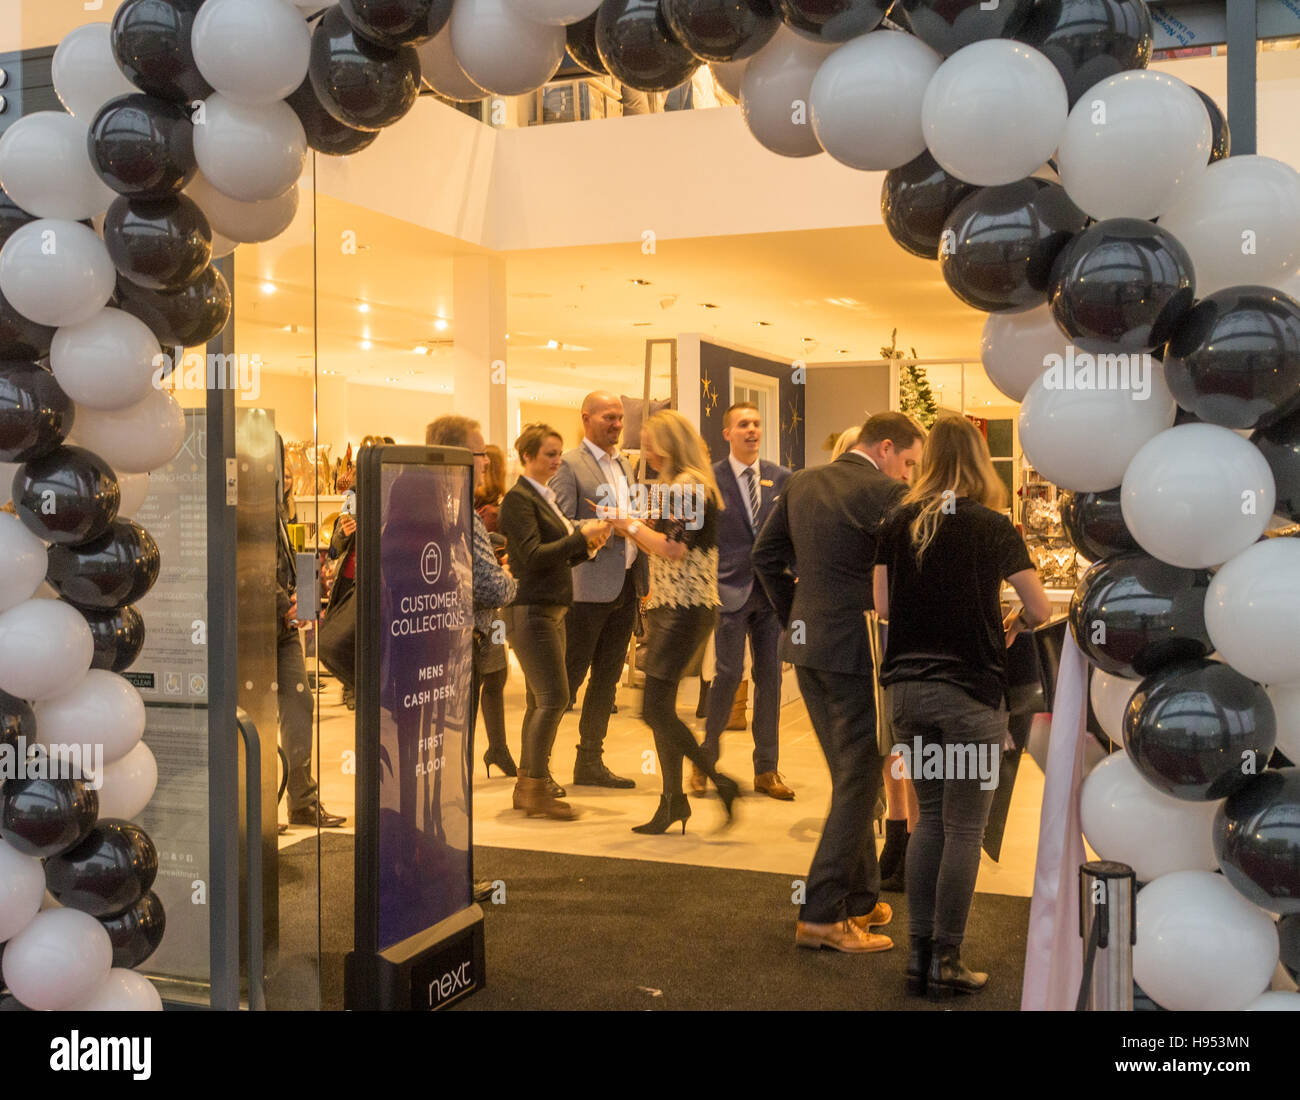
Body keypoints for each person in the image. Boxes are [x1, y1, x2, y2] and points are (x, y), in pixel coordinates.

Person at [873, 414, 1050, 999]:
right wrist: (1011, 620)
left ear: (928, 461)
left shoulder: (895, 522)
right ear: (976, 460)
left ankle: (919, 957)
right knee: (964, 827)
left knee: (928, 822)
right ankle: (948, 957)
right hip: (970, 696)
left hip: (906, 693)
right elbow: (1041, 609)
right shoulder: (991, 526)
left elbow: (883, 607)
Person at [752, 411, 925, 954]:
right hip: (859, 650)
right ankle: (822, 914)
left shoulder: (800, 482)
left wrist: (794, 614)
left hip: (808, 647)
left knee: (852, 776)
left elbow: (765, 557)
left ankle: (859, 899)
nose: (910, 475)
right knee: (859, 780)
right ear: (887, 447)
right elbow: (905, 578)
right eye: (910, 463)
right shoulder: (888, 496)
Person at [602, 410, 739, 834]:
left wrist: (626, 525)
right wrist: (630, 526)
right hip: (676, 605)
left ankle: (719, 781)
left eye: (651, 443)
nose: (646, 451)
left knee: (655, 708)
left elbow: (673, 548)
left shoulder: (687, 487)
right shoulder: (682, 486)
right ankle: (673, 801)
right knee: (660, 709)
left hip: (685, 607)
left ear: (670, 444)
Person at [498, 424, 611, 820]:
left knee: (540, 700)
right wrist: (582, 538)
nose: (556, 460)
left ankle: (532, 785)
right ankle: (533, 785)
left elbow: (556, 557)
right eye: (549, 453)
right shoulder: (519, 499)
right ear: (527, 457)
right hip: (532, 610)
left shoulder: (543, 497)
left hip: (549, 609)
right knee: (554, 698)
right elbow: (530, 556)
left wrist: (588, 545)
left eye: (559, 453)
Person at [830, 425, 919, 891]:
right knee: (886, 746)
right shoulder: (872, 500)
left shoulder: (898, 503)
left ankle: (906, 841)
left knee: (899, 741)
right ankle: (897, 836)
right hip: (866, 633)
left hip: (889, 634)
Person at [695, 401, 792, 800]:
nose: (752, 430)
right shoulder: (709, 479)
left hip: (771, 594)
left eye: (756, 423)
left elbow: (789, 532)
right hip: (728, 591)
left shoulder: (782, 477)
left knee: (770, 680)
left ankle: (766, 770)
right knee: (728, 675)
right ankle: (705, 763)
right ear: (727, 433)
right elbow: (700, 539)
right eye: (743, 424)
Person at [551, 391, 647, 789]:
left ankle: (589, 761)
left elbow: (630, 521)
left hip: (624, 586)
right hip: (586, 590)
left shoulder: (624, 464)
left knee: (607, 680)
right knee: (567, 682)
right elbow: (557, 523)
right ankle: (535, 769)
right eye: (609, 417)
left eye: (620, 418)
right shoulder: (569, 466)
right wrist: (598, 529)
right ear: (587, 418)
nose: (617, 424)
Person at [425, 417, 518, 778]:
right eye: (480, 454)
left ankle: (496, 749)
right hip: (469, 631)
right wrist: (510, 579)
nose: (486, 463)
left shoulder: (436, 504)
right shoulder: (462, 511)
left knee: (495, 676)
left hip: (475, 627)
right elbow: (490, 586)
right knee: (474, 697)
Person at [274, 433, 345, 831]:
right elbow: (244, 564)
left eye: (287, 471)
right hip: (253, 626)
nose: (286, 478)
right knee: (255, 719)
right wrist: (281, 605)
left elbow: (301, 554)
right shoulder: (247, 507)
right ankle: (260, 805)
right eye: (280, 471)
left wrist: (303, 603)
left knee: (299, 706)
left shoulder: (286, 511)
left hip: (284, 629)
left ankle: (301, 801)